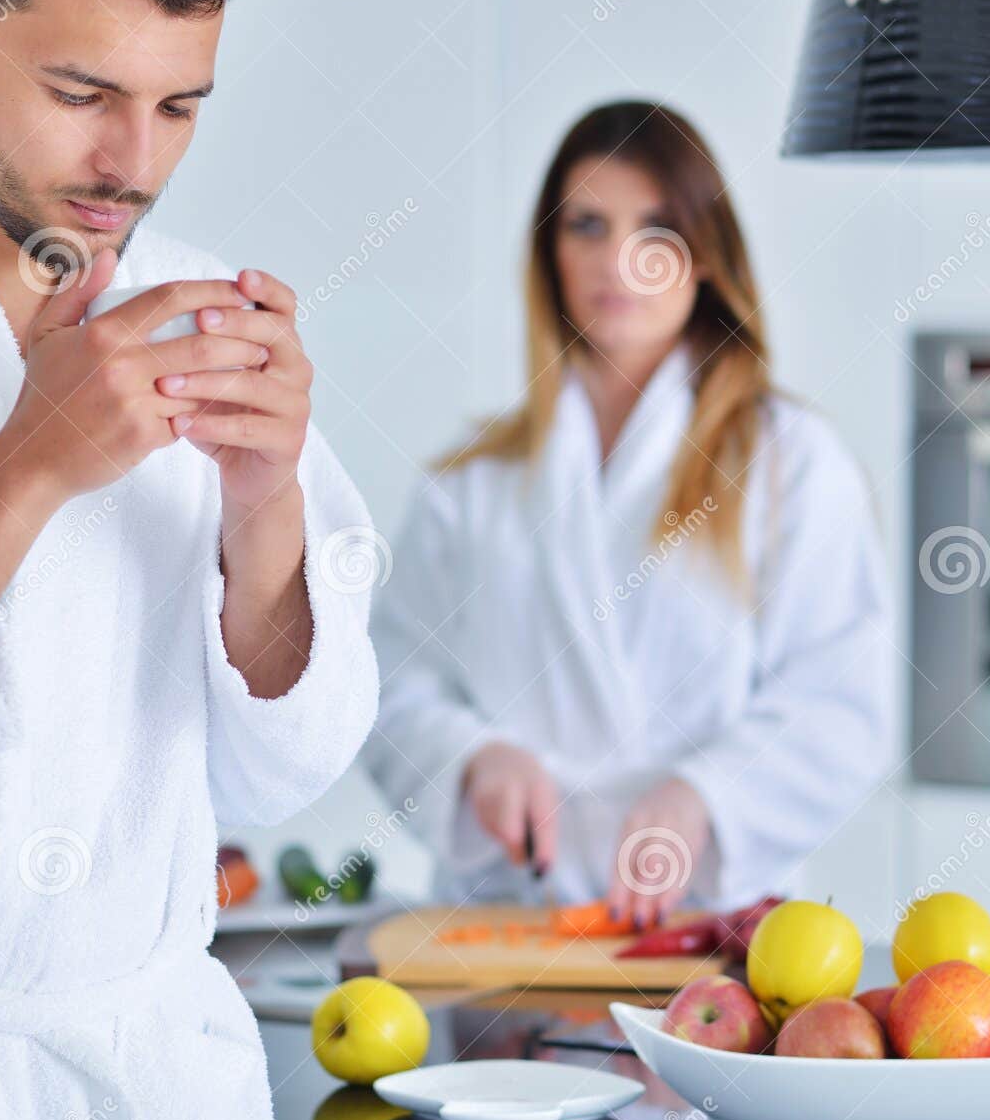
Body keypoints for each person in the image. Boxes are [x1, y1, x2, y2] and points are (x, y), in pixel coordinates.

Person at [0, 0, 378, 1120]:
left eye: (181, 104)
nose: (136, 158)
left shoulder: (193, 310)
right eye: (83, 93)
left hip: (148, 1116)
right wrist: (31, 462)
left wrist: (263, 510)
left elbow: (277, 774)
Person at [365, 101, 891, 924]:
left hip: (708, 935)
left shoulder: (792, 462)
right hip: (505, 933)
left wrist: (703, 797)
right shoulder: (472, 484)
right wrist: (473, 758)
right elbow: (392, 683)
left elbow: (843, 700)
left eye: (656, 227)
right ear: (549, 255)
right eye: (586, 225)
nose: (620, 260)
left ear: (709, 254)